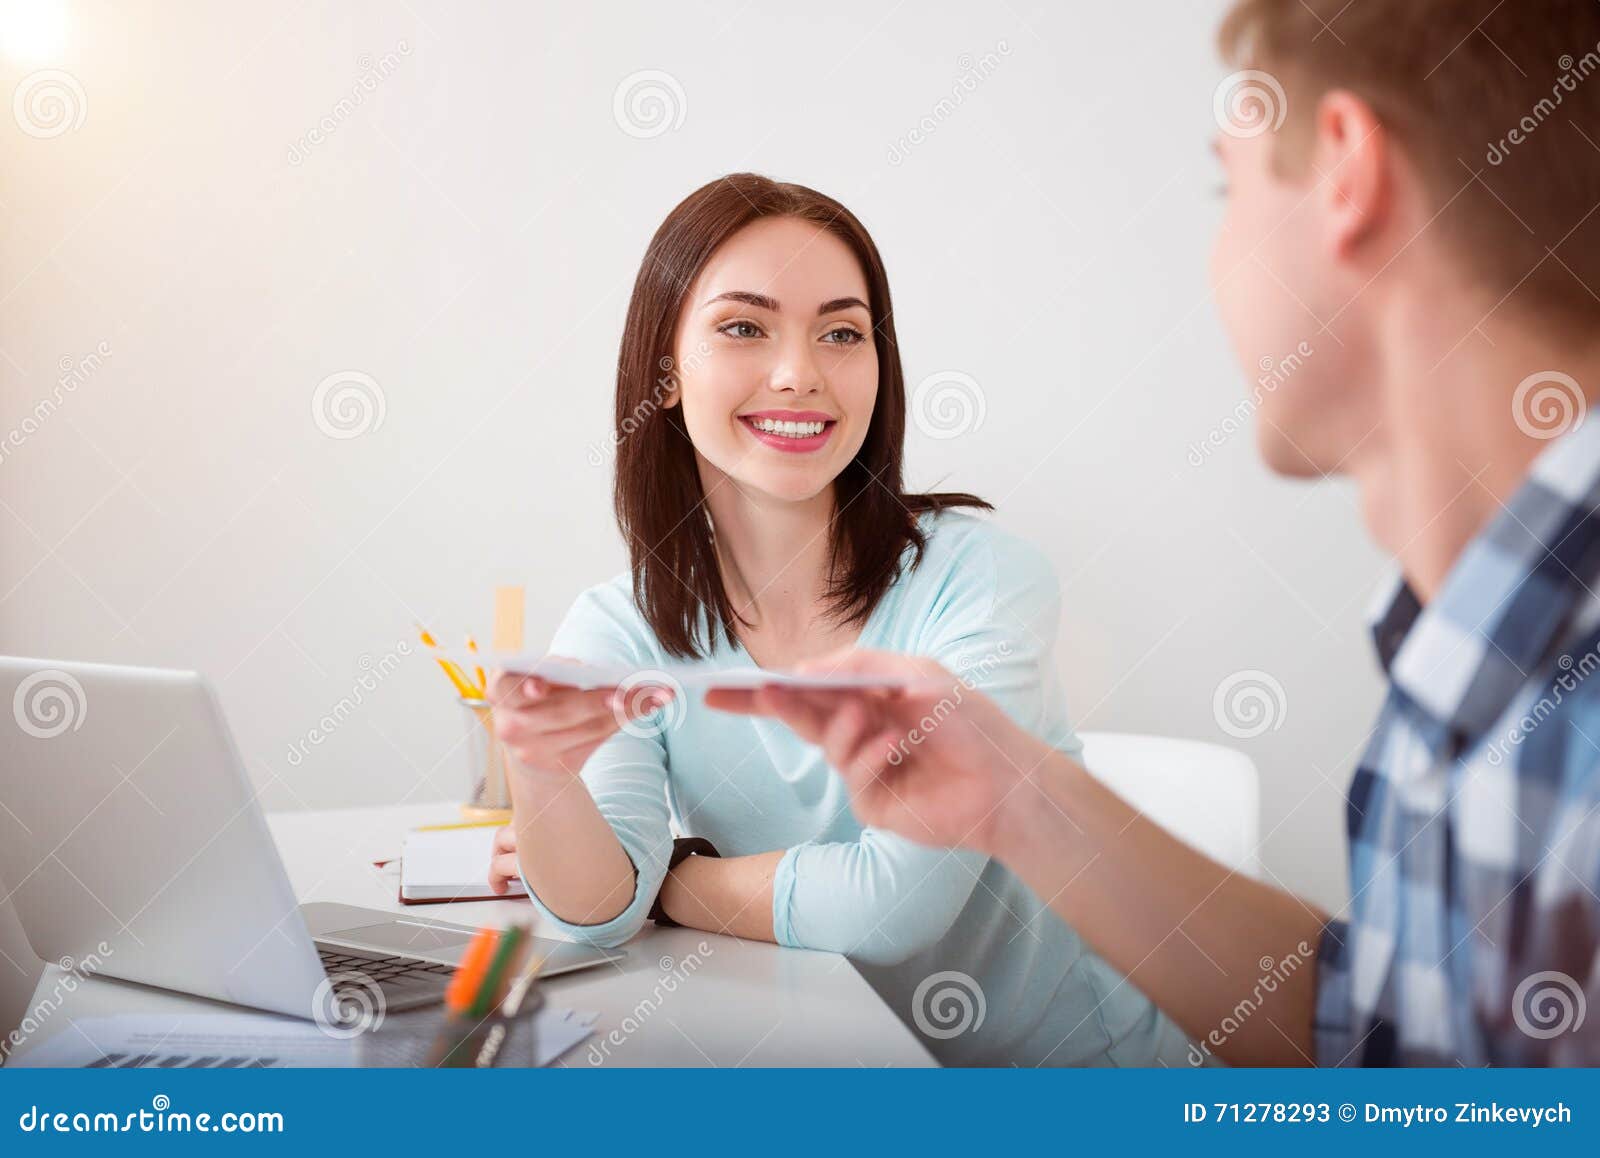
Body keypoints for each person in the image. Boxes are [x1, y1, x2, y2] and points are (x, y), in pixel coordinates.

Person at [713, 0, 1600, 1066]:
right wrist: (1016, 796)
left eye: (1229, 188)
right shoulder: (1475, 654)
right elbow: (1395, 1041)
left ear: (1344, 175)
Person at [484, 173, 1191, 1065]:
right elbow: (592, 911)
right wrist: (540, 772)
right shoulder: (620, 626)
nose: (799, 373)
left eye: (842, 333)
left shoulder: (983, 583)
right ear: (664, 373)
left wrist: (667, 879)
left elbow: (890, 906)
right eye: (744, 326)